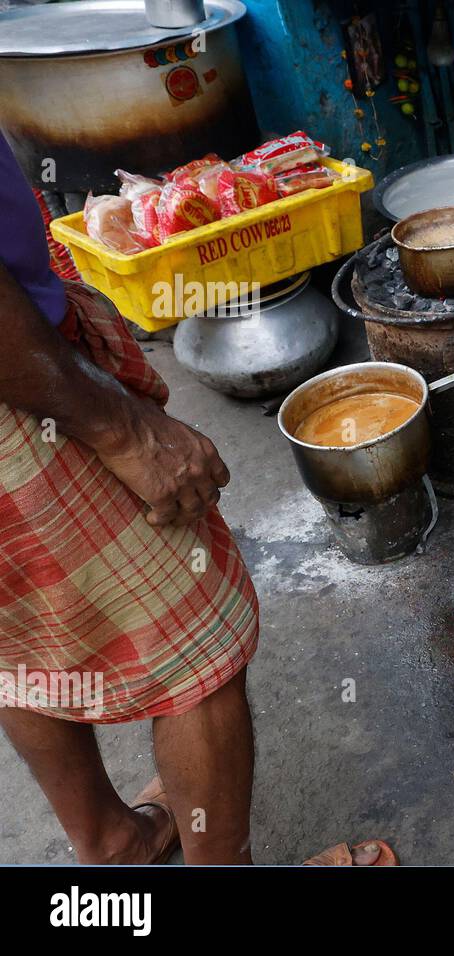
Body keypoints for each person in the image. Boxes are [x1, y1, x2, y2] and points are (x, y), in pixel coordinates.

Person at [0, 138, 261, 863]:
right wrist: (122, 430)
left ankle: (113, 844)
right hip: (19, 393)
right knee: (196, 641)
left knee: (18, 643)